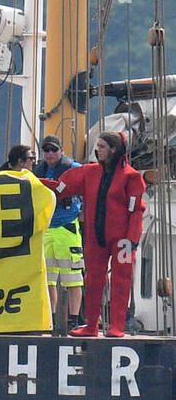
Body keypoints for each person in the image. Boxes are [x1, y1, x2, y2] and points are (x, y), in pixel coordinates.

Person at [44, 132, 146, 337]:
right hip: (95, 239)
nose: (97, 149)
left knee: (121, 280)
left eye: (101, 146)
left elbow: (136, 210)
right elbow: (61, 189)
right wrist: (35, 183)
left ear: (113, 149)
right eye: (97, 145)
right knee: (93, 280)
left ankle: (116, 326)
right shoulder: (88, 172)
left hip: (122, 241)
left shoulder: (131, 177)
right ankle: (91, 325)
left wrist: (132, 240)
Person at [34, 135, 84, 330]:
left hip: (67, 227)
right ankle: (52, 318)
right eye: (46, 150)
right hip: (47, 228)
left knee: (73, 278)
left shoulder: (74, 168)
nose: (50, 154)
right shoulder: (40, 170)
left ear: (61, 151)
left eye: (54, 150)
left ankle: (73, 319)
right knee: (48, 279)